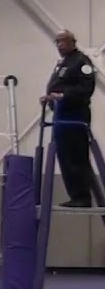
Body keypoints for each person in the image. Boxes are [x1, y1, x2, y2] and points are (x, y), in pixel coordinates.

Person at [42, 30, 98, 207]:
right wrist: (49, 98)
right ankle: (75, 195)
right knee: (65, 157)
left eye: (63, 41)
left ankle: (82, 197)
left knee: (76, 155)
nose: (59, 45)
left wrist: (63, 96)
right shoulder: (62, 64)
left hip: (75, 114)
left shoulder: (82, 62)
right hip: (61, 115)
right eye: (57, 41)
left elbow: (86, 87)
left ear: (73, 42)